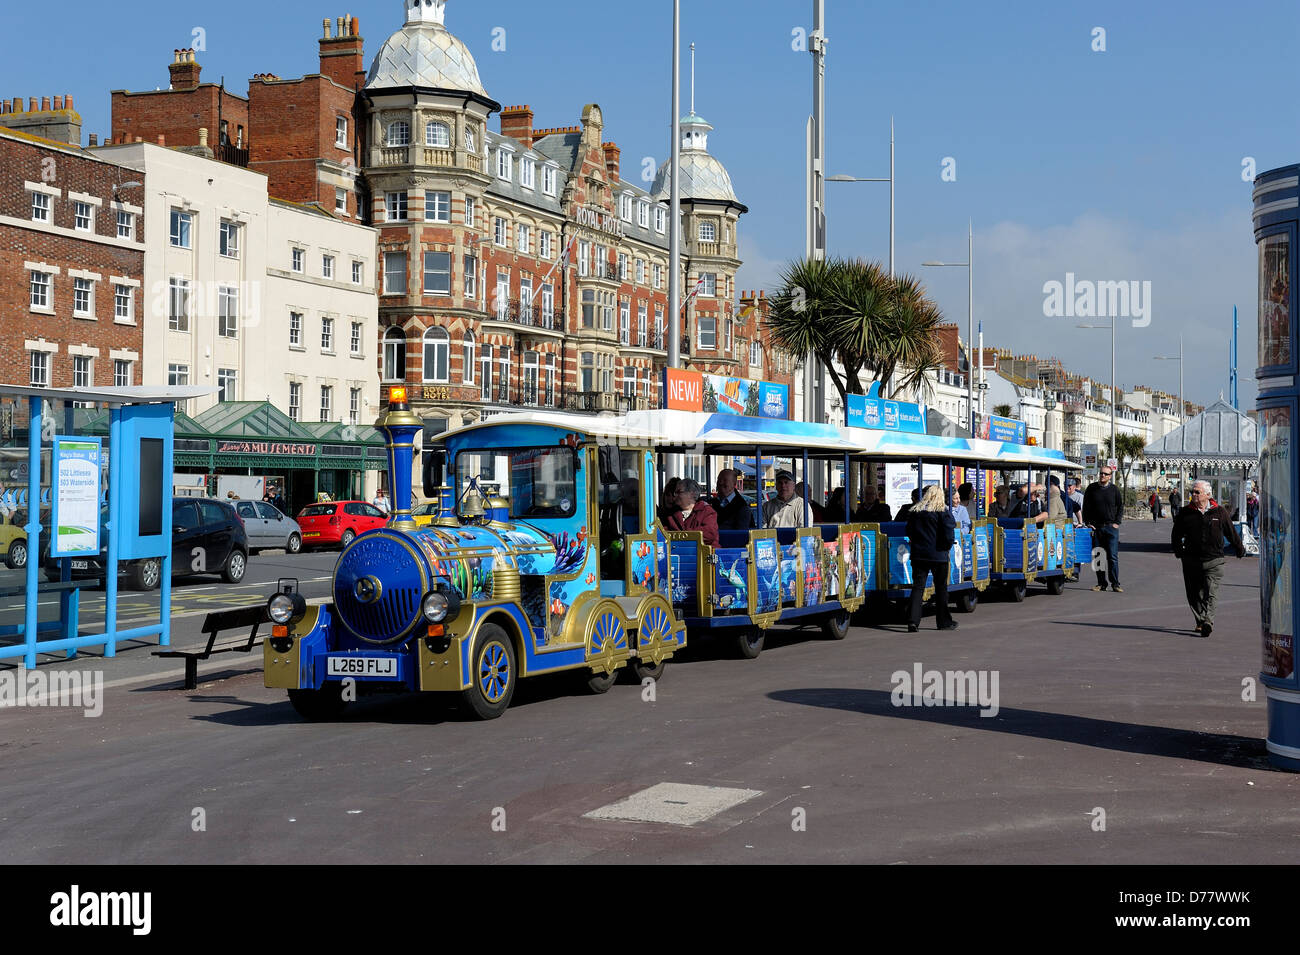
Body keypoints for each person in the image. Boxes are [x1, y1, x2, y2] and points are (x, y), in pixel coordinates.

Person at [1172, 480, 1244, 637]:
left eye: (1197, 492)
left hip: (1215, 560)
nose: (1194, 495)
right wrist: (1179, 551)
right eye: (1192, 492)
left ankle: (1208, 622)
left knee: (1212, 592)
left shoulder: (1219, 512)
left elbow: (1231, 532)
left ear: (1207, 494)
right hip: (1192, 560)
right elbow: (1176, 534)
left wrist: (1239, 548)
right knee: (1194, 594)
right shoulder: (1185, 512)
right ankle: (1200, 620)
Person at [904, 485, 958, 633]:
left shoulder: (915, 511)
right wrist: (946, 547)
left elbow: (909, 531)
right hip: (938, 555)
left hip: (919, 554)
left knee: (918, 587)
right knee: (941, 588)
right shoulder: (942, 512)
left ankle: (913, 621)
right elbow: (948, 533)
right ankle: (943, 622)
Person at [1083, 464, 1124, 592]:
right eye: (1101, 473)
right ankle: (1101, 583)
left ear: (1110, 476)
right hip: (1096, 528)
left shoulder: (1114, 490)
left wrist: (1117, 522)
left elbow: (1120, 507)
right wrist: (1088, 522)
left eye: (1105, 474)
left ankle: (1115, 584)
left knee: (1112, 556)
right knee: (1098, 556)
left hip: (1111, 528)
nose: (1102, 475)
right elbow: (1086, 507)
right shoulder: (1091, 488)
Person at [664, 478, 719, 546]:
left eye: (679, 492)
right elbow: (663, 534)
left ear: (691, 493)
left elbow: (709, 534)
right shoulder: (671, 515)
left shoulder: (707, 511)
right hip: (678, 553)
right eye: (675, 492)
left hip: (704, 553)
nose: (675, 495)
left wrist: (682, 534)